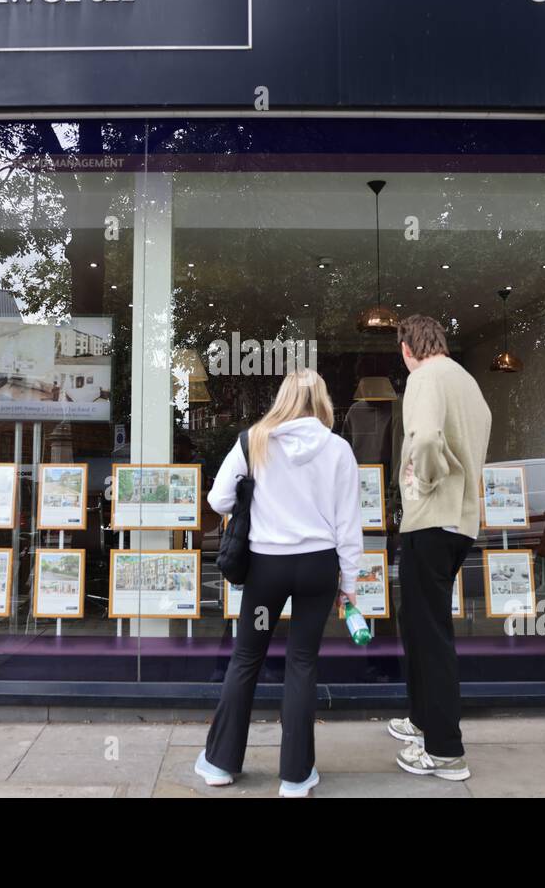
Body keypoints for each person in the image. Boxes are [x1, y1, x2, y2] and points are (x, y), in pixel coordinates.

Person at [195, 368, 362, 797]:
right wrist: (351, 583)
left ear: (283, 397)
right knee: (302, 662)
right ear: (321, 399)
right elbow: (348, 524)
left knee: (247, 657)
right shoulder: (338, 449)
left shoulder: (254, 440)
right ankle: (295, 776)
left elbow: (217, 500)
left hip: (267, 571)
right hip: (317, 570)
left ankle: (219, 765)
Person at [390, 314, 491, 781]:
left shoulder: (425, 378)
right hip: (461, 521)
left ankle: (446, 751)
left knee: (427, 633)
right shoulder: (467, 382)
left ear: (408, 348)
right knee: (422, 624)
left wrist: (423, 480)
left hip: (431, 519)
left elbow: (427, 438)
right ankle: (421, 721)